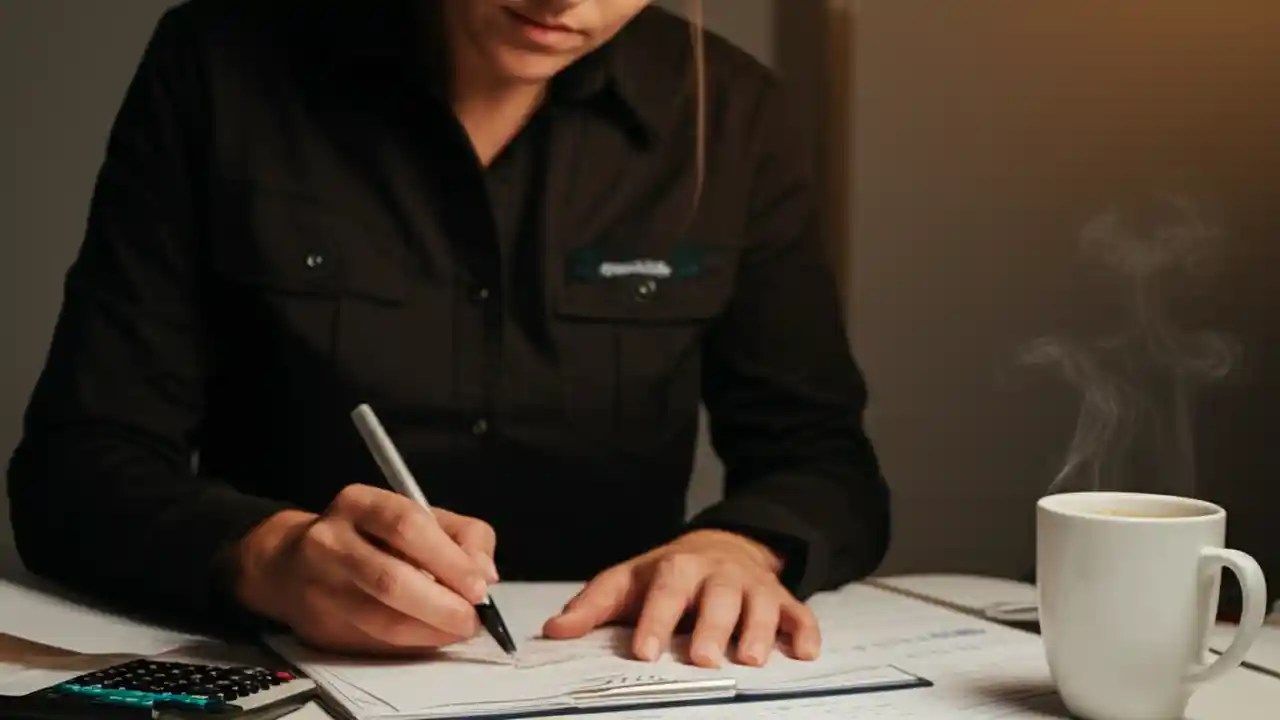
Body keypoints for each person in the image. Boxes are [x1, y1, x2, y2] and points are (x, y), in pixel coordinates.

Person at [8, 0, 889, 670]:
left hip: (607, 683)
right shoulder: (221, 64)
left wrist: (736, 545)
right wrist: (267, 556)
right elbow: (77, 468)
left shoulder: (730, 113)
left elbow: (821, 461)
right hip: (291, 675)